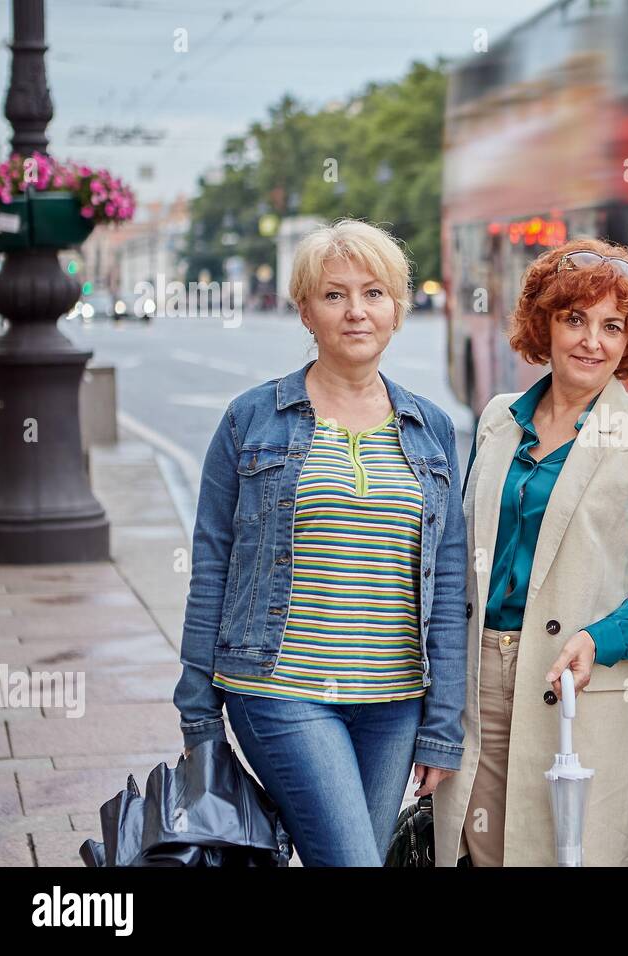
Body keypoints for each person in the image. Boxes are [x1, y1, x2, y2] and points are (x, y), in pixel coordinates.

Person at [172, 219, 468, 866]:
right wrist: (198, 714)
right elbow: (212, 564)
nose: (356, 311)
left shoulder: (432, 429)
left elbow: (448, 585)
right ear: (305, 310)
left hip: (394, 705)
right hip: (282, 689)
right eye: (334, 296)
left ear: (397, 308)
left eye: (374, 293)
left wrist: (443, 726)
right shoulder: (251, 420)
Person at [433, 238, 628, 866]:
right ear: (541, 323)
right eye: (573, 319)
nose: (591, 342)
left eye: (612, 326)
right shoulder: (497, 419)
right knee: (481, 850)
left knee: (567, 854)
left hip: (579, 687)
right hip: (478, 686)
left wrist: (601, 639)